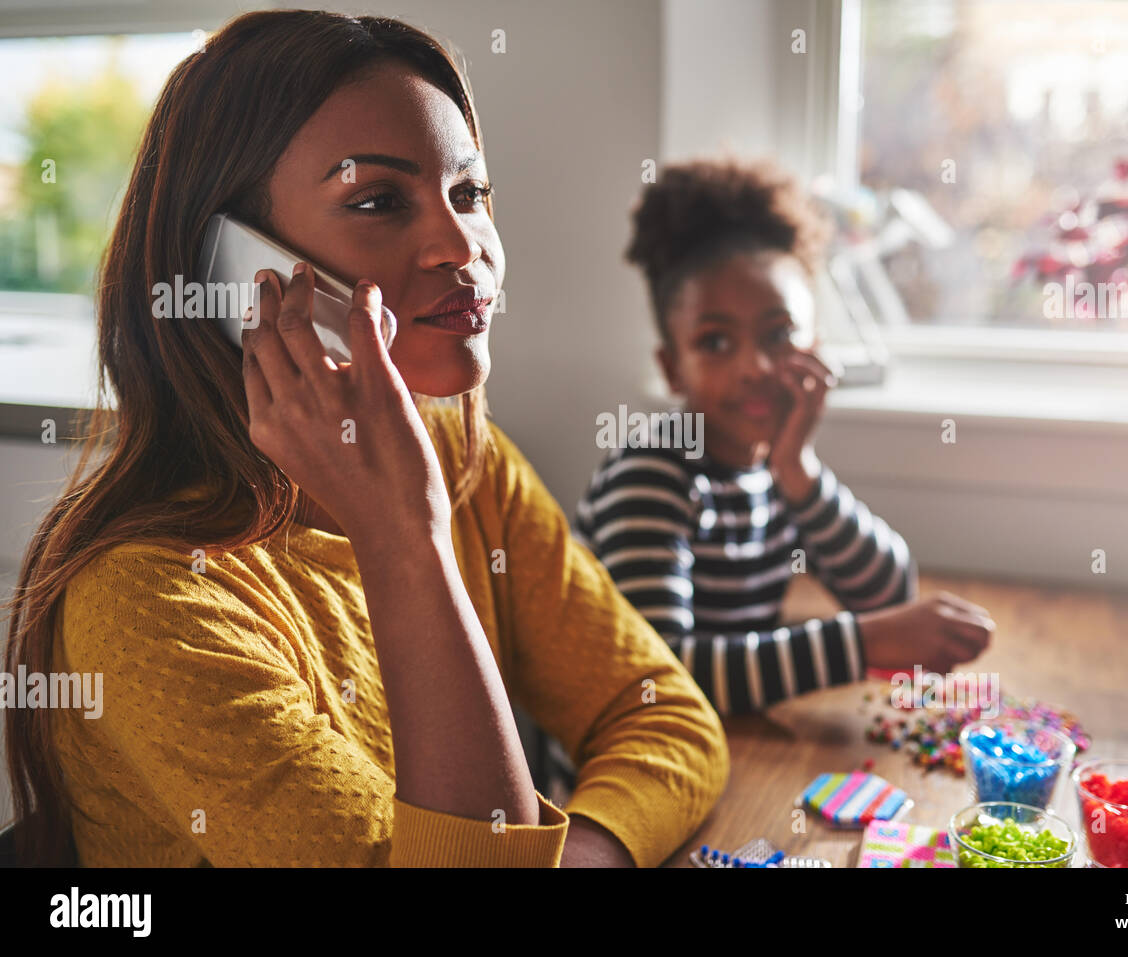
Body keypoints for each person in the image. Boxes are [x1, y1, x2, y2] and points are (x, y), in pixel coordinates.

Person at [1, 10, 727, 868]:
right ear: (236, 270)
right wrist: (403, 538)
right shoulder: (147, 599)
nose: (465, 248)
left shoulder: (461, 454)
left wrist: (582, 856)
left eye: (470, 193)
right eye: (379, 201)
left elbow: (664, 714)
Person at [574, 156, 995, 716]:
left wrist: (799, 471)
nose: (755, 367)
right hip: (619, 771)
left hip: (736, 744)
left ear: (814, 345)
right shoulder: (650, 473)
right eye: (716, 343)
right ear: (673, 368)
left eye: (778, 334)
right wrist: (863, 643)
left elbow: (890, 594)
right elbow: (663, 677)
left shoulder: (776, 471)